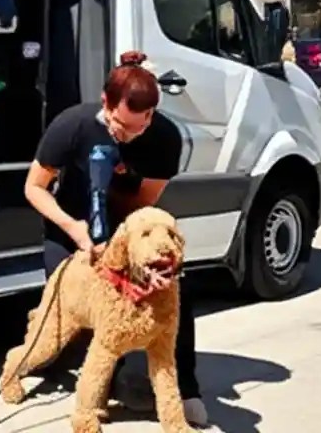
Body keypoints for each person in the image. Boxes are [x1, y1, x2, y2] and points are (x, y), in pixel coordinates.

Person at [22, 50, 207, 425]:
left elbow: (143, 205)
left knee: (171, 296)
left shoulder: (165, 140)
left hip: (128, 225)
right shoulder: (72, 125)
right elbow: (34, 188)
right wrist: (76, 228)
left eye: (139, 127)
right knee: (74, 310)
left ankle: (186, 390)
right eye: (121, 126)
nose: (128, 135)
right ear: (105, 103)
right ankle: (64, 371)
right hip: (70, 219)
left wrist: (125, 248)